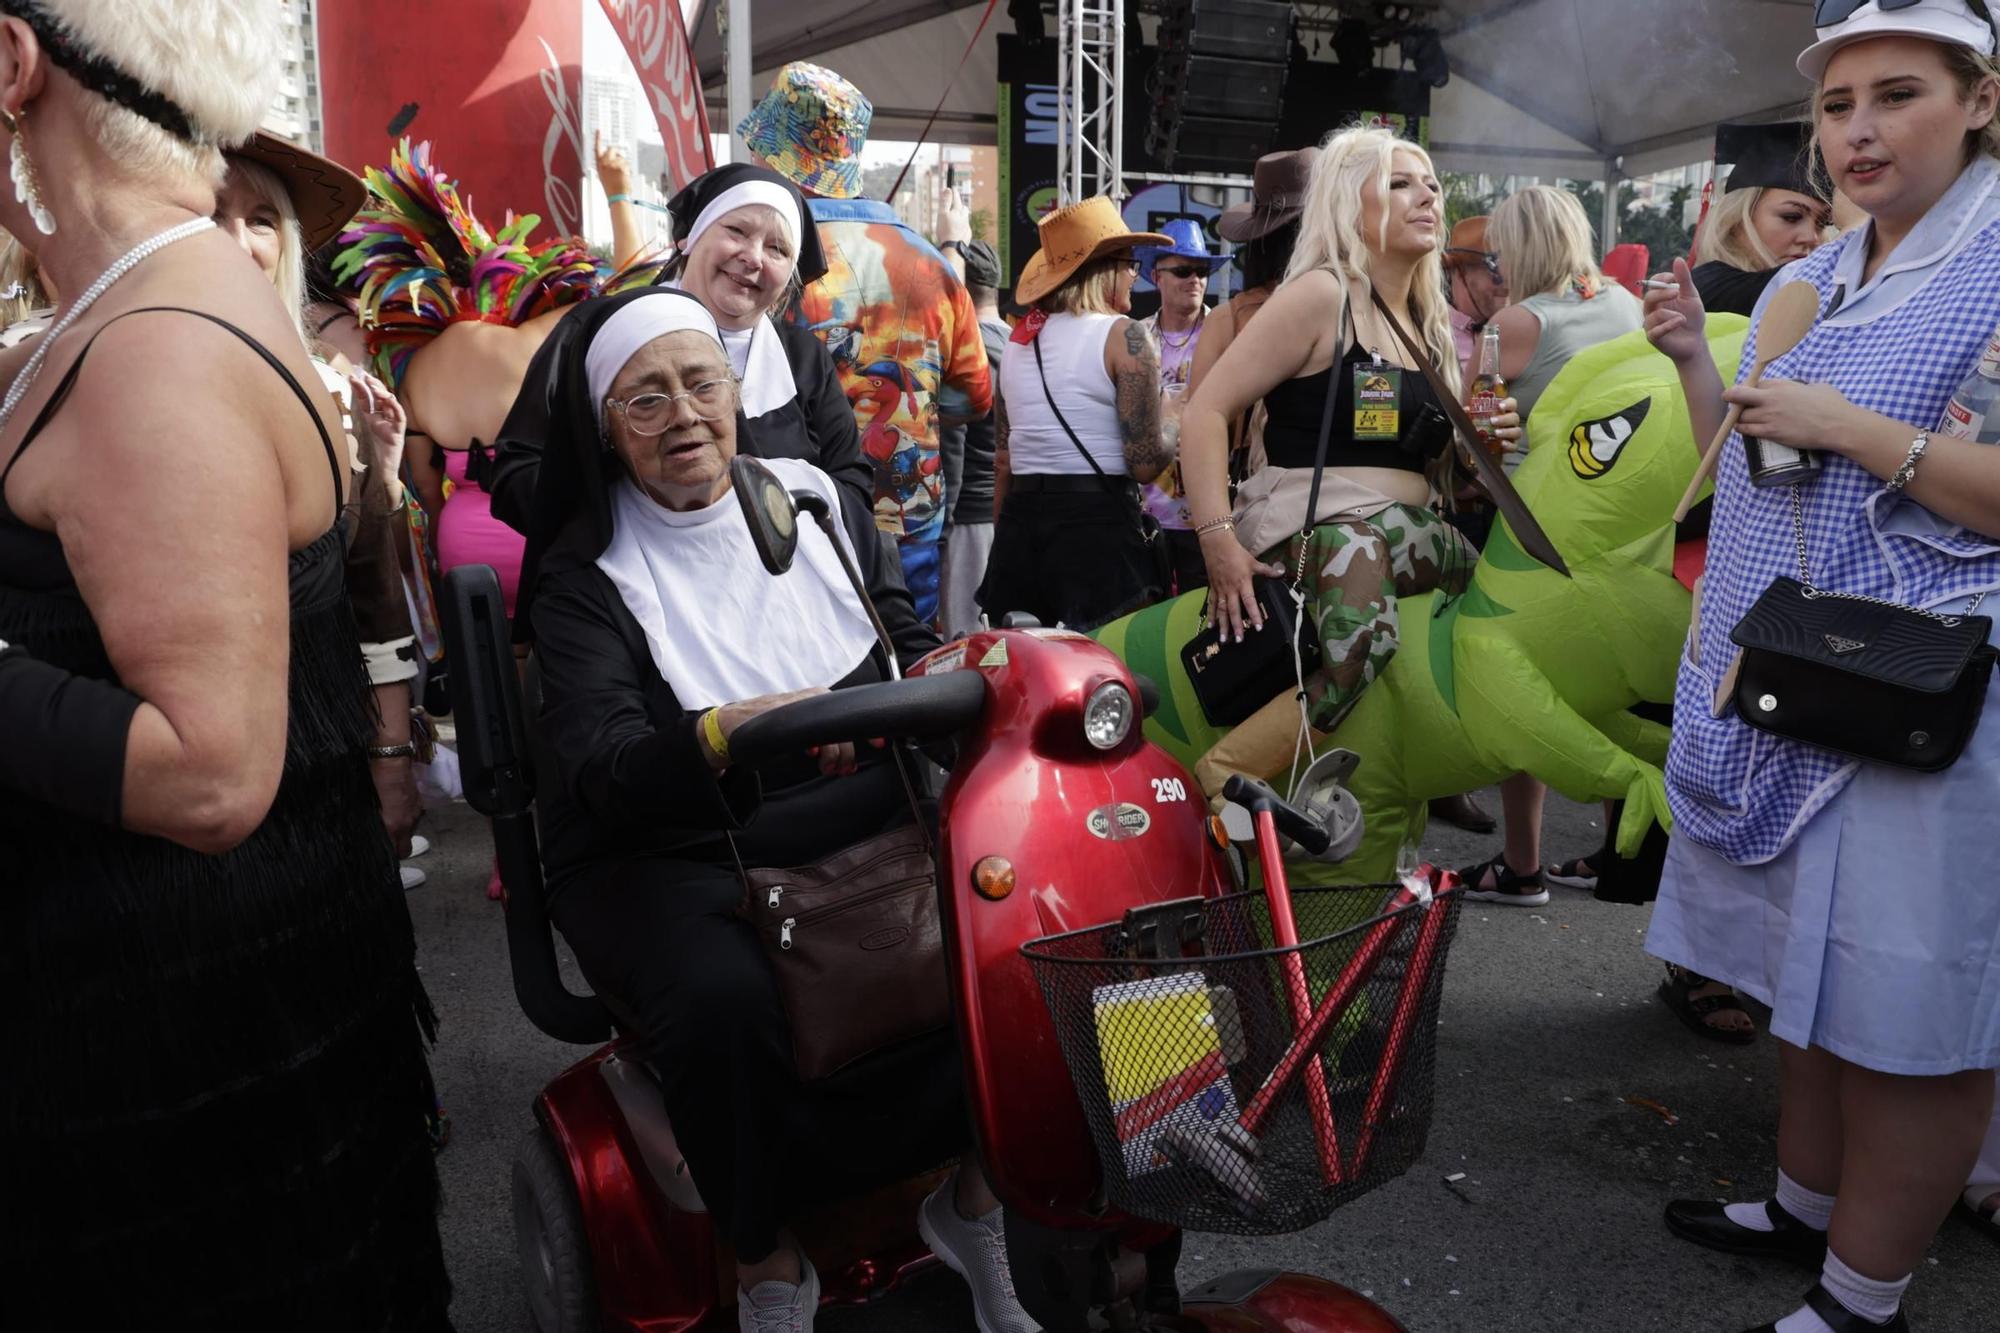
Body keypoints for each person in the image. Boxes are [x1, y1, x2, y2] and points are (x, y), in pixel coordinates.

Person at [0, 1, 450, 1324]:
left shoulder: (161, 346)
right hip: (197, 1035)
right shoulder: (136, 307)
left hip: (170, 1076)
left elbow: (212, 775)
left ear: (13, 63)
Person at [525, 287, 1033, 1333]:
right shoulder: (584, 574)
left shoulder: (817, 498)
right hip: (667, 843)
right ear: (608, 432)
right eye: (645, 400)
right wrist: (735, 730)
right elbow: (609, 767)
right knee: (720, 1000)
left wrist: (907, 694)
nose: (682, 417)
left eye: (700, 383)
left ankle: (971, 1203)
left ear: (736, 390)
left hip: (853, 806)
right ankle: (765, 1257)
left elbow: (897, 630)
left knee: (1021, 926)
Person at [1642, 4, 2000, 1330]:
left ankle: (1862, 1298)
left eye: (1896, 94)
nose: (1855, 130)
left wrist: (1852, 426)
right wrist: (1704, 365)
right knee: (1809, 973)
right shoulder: (1823, 272)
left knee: (1909, 1014)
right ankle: (1803, 1207)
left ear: (1980, 100)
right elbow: (1753, 465)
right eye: (1838, 105)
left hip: (1934, 688)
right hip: (1802, 661)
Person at [1181, 127, 1515, 741]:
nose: (1428, 197)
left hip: (1410, 534)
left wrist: (1484, 449)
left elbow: (1443, 480)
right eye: (1399, 183)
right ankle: (1228, 776)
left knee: (1509, 605)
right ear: (1346, 203)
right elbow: (1203, 413)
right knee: (1362, 599)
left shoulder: (1427, 322)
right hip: (1318, 539)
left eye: (1432, 185)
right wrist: (1218, 545)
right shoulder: (1320, 293)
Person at [487, 160, 876, 637]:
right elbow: (516, 473)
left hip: (780, 616)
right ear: (687, 239)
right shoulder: (600, 334)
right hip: (625, 616)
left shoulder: (801, 360)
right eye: (737, 230)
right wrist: (639, 518)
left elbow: (849, 487)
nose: (753, 257)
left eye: (777, 248)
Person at [216, 132, 427, 877]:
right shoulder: (65, 374)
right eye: (210, 212)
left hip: (324, 753)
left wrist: (394, 758)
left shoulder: (338, 396)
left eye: (262, 219)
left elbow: (375, 596)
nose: (237, 243)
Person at [739, 62, 992, 624]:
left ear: (776, 160)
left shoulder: (760, 266)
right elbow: (970, 399)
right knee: (902, 677)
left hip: (790, 522)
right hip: (908, 519)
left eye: (759, 151)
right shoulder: (932, 264)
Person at [1458, 182, 1646, 908]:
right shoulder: (1627, 305)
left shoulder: (1516, 322)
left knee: (1519, 686)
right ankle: (1617, 853)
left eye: (1500, 246)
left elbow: (1473, 437)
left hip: (1534, 532)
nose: (1495, 262)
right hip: (1621, 529)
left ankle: (1523, 863)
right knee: (1616, 687)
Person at [982, 196, 1173, 630]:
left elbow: (1005, 463)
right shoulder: (1124, 336)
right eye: (1129, 263)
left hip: (1020, 534)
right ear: (1105, 267)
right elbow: (1145, 464)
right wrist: (1178, 419)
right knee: (1109, 681)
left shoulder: (1017, 342)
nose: (1133, 275)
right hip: (1098, 536)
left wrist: (1005, 547)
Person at [1137, 217, 1228, 592]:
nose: (1195, 279)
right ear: (1158, 276)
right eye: (1183, 270)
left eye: (1202, 270)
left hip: (1210, 515)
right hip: (1146, 513)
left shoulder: (1224, 336)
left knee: (1201, 624)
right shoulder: (1134, 337)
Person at [1692, 120, 1837, 316]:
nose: (1812, 238)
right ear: (1737, 220)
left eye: (1822, 224)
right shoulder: (1704, 290)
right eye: (1791, 217)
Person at [939, 238, 1009, 639]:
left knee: (963, 642)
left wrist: (941, 530)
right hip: (1003, 514)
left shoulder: (967, 348)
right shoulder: (1017, 342)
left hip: (966, 518)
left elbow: (953, 444)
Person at [1442, 215, 1509, 372]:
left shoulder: (1513, 330)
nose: (1508, 281)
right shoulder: (1430, 332)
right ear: (1459, 272)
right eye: (1496, 269)